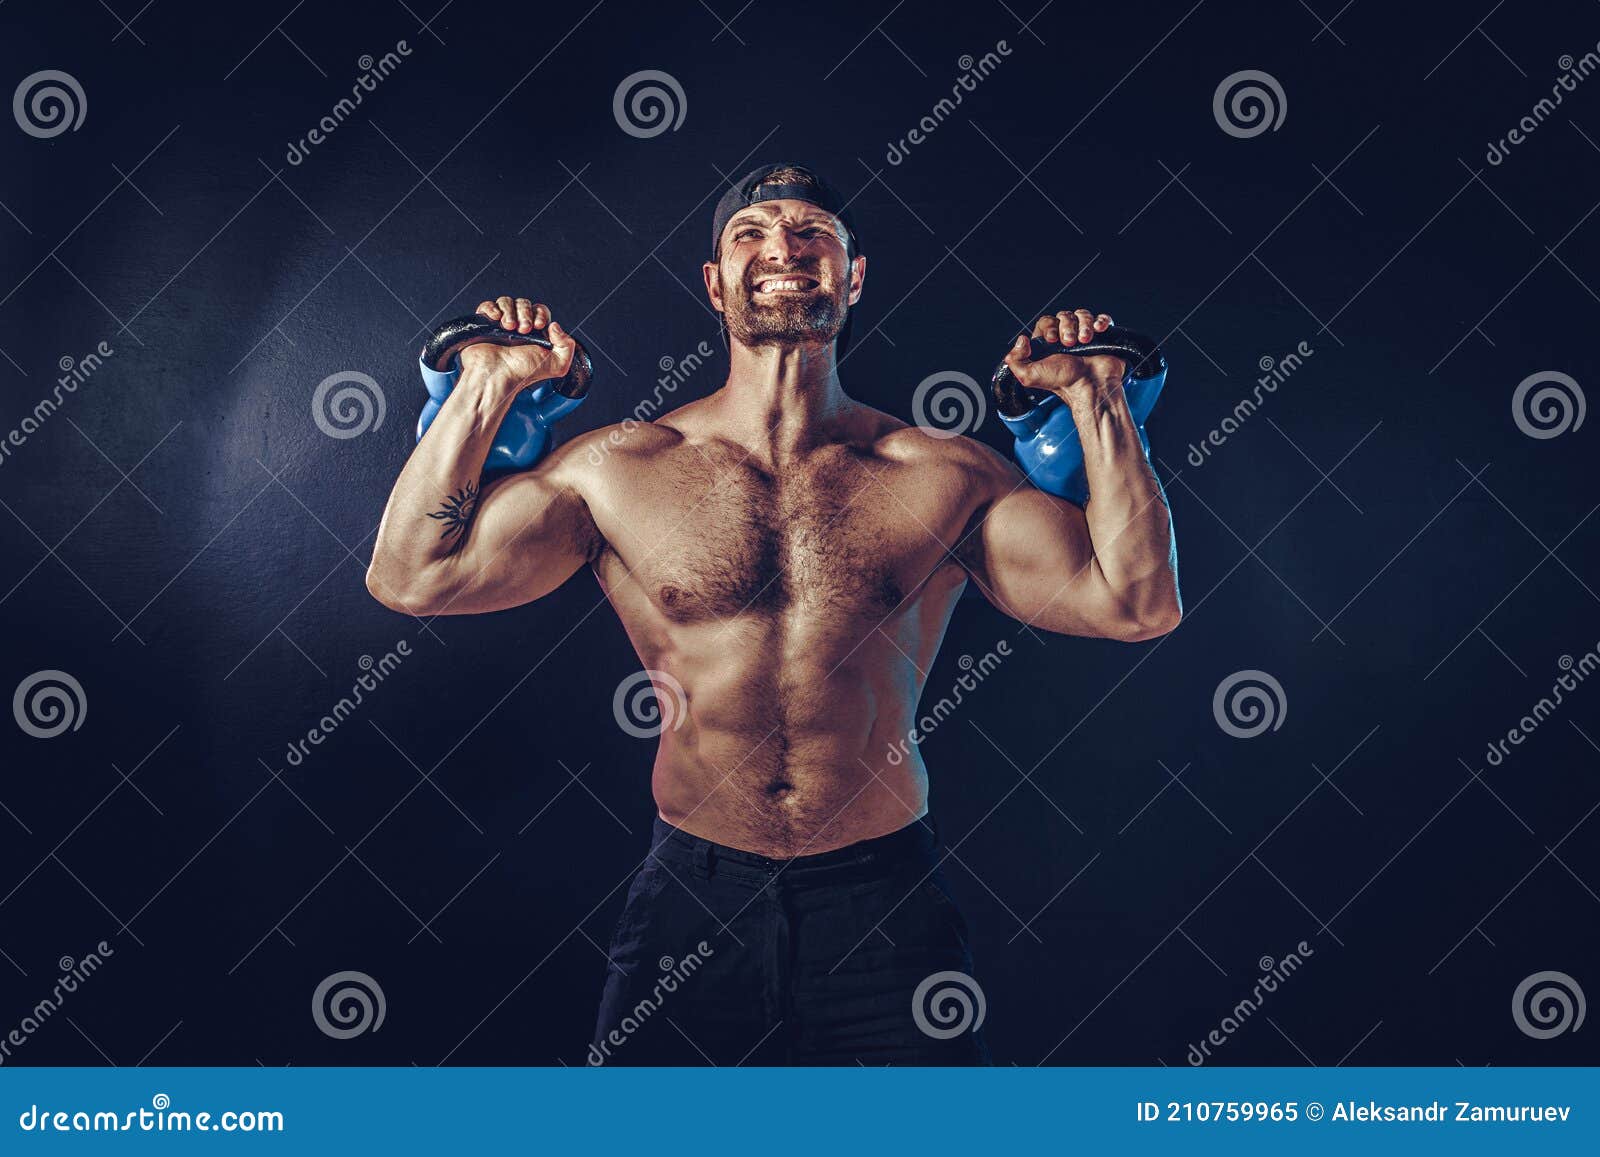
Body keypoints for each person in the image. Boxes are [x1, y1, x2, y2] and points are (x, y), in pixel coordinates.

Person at [366, 162, 1181, 1064]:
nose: (782, 250)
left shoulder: (942, 474)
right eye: (749, 234)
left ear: (853, 274)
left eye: (811, 233)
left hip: (882, 904)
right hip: (693, 900)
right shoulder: (620, 469)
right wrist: (488, 382)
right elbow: (412, 577)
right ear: (715, 284)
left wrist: (1102, 400)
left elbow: (1135, 602)